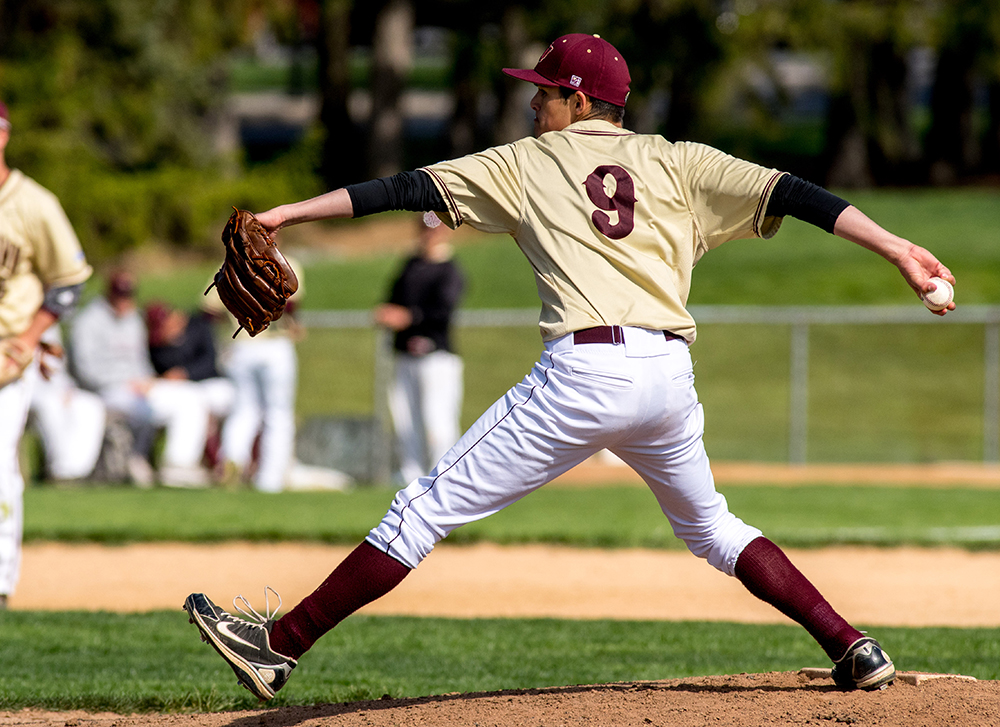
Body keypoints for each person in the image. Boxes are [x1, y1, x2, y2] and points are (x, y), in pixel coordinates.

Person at [184, 34, 957, 699]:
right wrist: (897, 248)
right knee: (715, 527)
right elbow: (795, 192)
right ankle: (851, 645)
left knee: (421, 510)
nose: (533, 104)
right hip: (667, 376)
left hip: (584, 373)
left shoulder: (528, 162)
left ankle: (280, 645)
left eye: (545, 92)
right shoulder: (677, 159)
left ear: (579, 100)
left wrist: (286, 214)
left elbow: (401, 188)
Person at [0, 99, 93, 607]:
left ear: (4, 135)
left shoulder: (34, 203)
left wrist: (32, 336)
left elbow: (69, 282)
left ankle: (0, 581)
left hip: (7, 356)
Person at [70, 269, 213, 488]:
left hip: (138, 386)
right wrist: (126, 382)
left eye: (128, 294)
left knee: (192, 396)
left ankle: (178, 464)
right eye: (120, 294)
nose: (124, 301)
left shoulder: (133, 320)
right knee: (151, 408)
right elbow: (86, 370)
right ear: (109, 292)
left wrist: (147, 380)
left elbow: (141, 360)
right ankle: (147, 460)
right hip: (107, 389)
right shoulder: (88, 321)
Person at [375, 211, 466, 485]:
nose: (429, 234)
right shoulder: (410, 265)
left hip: (436, 357)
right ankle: (409, 476)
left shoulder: (449, 270)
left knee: (437, 420)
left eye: (435, 228)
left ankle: (444, 477)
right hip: (405, 355)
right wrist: (386, 313)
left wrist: (409, 317)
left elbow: (443, 311)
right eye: (425, 228)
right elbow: (392, 298)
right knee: (405, 420)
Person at [203, 258, 305, 493]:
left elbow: (209, 309)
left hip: (241, 343)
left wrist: (237, 310)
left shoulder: (230, 263)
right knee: (278, 414)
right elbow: (291, 305)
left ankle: (231, 468)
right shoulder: (284, 261)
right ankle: (270, 480)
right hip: (275, 344)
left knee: (243, 411)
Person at [28, 324, 107, 482]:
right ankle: (59, 469)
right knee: (50, 407)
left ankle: (79, 471)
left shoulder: (50, 323)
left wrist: (66, 388)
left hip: (56, 386)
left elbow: (57, 367)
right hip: (26, 388)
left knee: (91, 405)